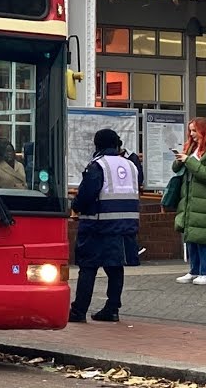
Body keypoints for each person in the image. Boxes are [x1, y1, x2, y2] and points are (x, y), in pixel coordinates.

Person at [69, 129, 140, 323]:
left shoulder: (98, 165)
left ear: (97, 145)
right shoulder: (131, 165)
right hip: (126, 226)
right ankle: (112, 309)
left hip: (98, 226)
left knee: (88, 267)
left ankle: (79, 311)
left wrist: (75, 207)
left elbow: (86, 194)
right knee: (115, 267)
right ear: (116, 144)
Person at [173, 117, 206, 285]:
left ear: (203, 131)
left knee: (203, 237)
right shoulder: (192, 150)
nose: (191, 134)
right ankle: (194, 270)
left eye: (194, 130)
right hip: (190, 199)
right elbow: (176, 169)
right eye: (190, 130)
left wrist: (188, 160)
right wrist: (180, 158)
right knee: (191, 235)